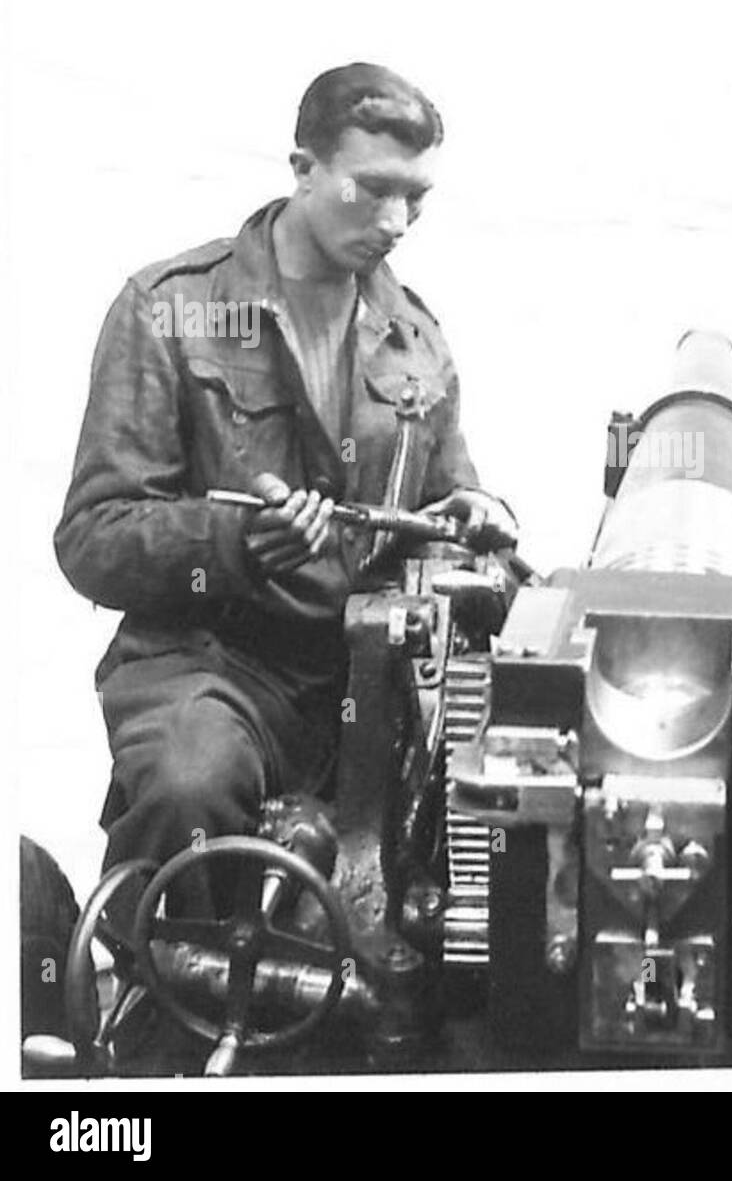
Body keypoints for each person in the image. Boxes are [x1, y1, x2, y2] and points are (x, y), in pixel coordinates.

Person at [55, 63, 515, 910]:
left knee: (474, 835)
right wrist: (231, 546)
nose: (395, 221)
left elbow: (454, 498)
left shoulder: (413, 339)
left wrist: (481, 517)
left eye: (416, 199)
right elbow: (91, 537)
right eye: (371, 189)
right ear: (302, 168)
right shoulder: (178, 310)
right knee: (192, 789)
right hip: (206, 659)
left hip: (364, 681)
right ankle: (161, 1021)